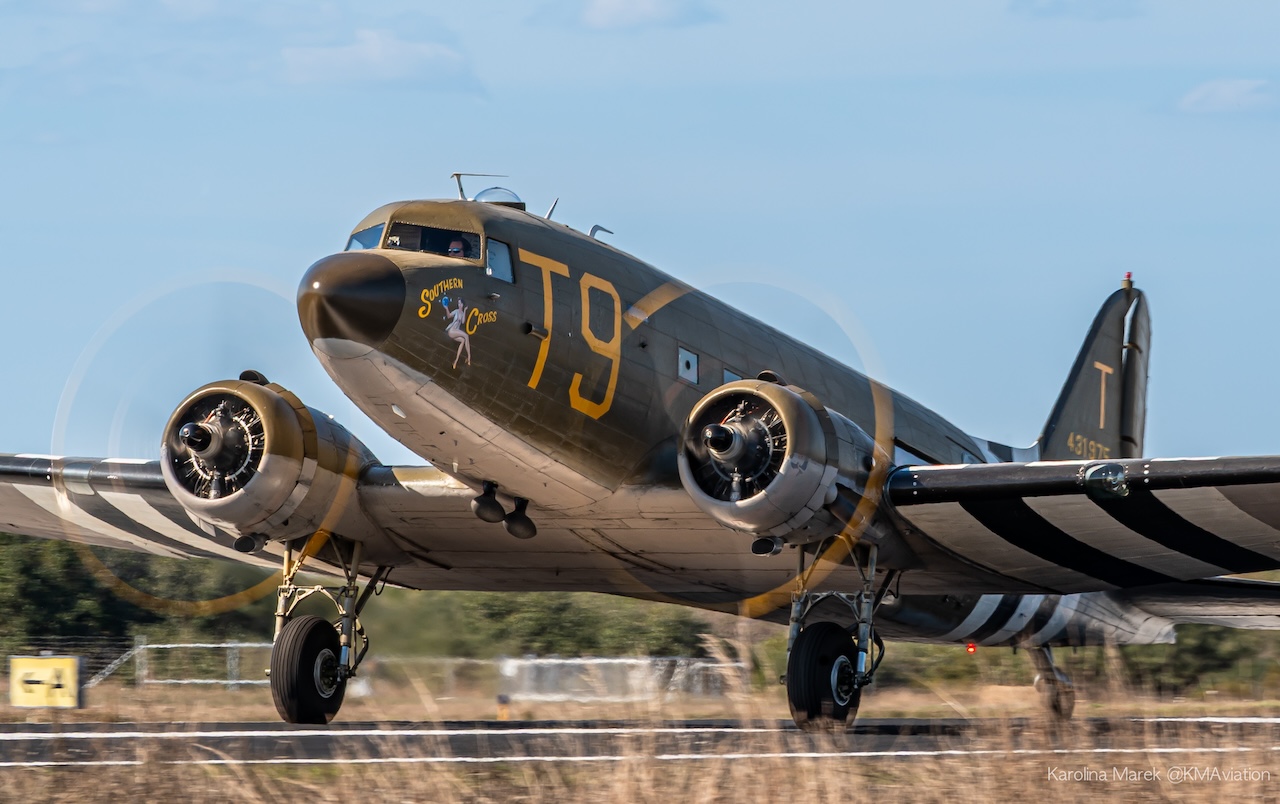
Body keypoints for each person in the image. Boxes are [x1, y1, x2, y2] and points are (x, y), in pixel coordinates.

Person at [445, 297, 471, 369]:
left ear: (463, 305)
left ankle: (455, 361)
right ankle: (469, 357)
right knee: (466, 336)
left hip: (455, 332)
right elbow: (449, 316)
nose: (459, 305)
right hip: (452, 330)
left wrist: (465, 311)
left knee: (462, 340)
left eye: (461, 303)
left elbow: (463, 322)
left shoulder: (462, 313)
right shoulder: (456, 311)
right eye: (458, 303)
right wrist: (446, 308)